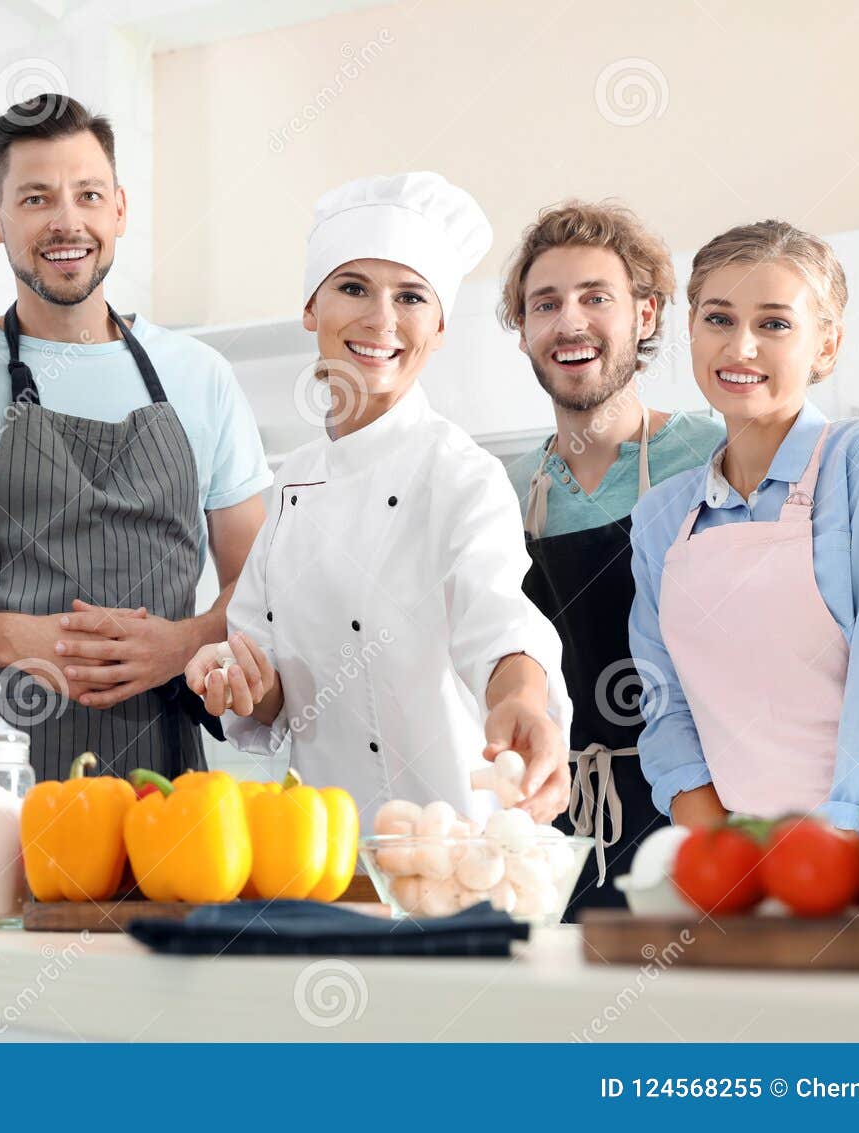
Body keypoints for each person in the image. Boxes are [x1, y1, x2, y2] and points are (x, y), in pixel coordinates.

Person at [0, 95, 270, 782]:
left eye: (87, 195)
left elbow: (262, 588)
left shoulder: (199, 377)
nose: (67, 221)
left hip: (165, 789)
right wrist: (1, 635)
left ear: (118, 209)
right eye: (36, 198)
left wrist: (182, 643)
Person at [183, 172, 572, 831]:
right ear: (311, 308)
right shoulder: (292, 487)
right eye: (353, 287)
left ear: (441, 325)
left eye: (411, 297)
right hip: (327, 861)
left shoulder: (459, 474)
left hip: (455, 856)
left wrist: (524, 703)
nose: (381, 320)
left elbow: (498, 620)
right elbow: (268, 682)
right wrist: (237, 680)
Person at [629, 220, 859, 830]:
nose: (740, 347)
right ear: (690, 330)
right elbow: (665, 701)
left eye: (774, 323)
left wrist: (845, 840)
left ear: (825, 345)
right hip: (761, 858)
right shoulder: (661, 518)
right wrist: (722, 852)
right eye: (718, 319)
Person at [500, 202, 725, 909]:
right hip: (553, 827)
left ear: (647, 316)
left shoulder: (715, 456)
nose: (570, 322)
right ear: (526, 332)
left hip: (701, 806)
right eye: (546, 303)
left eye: (597, 297)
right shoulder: (505, 492)